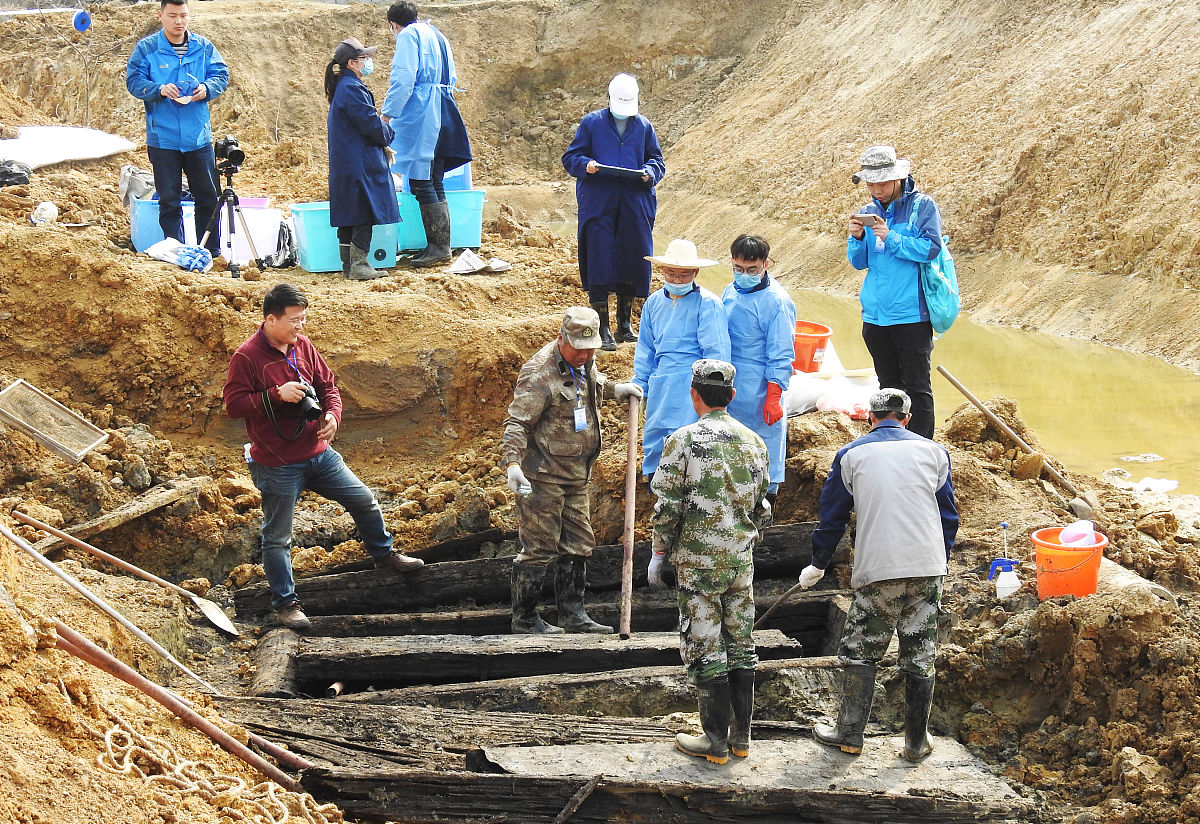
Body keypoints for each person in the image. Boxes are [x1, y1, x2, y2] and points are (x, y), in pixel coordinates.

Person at [223, 283, 423, 631]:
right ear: (270, 319)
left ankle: (384, 555)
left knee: (364, 500)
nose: (299, 326)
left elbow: (329, 386)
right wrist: (275, 395)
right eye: (293, 320)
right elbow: (233, 405)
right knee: (278, 537)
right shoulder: (247, 356)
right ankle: (286, 605)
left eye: (303, 319)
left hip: (318, 453)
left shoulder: (303, 346)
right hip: (277, 461)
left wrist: (333, 416)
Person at [798, 388, 958, 762]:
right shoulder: (934, 452)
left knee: (861, 651)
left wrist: (817, 564)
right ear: (907, 417)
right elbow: (948, 516)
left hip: (879, 569)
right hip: (928, 567)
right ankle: (916, 743)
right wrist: (940, 558)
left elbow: (832, 517)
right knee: (920, 653)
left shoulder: (852, 455)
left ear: (870, 417)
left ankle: (849, 735)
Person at [647, 360, 770, 765]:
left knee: (704, 645)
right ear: (732, 396)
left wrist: (658, 552)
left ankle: (714, 741)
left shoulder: (682, 441)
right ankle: (741, 739)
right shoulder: (754, 442)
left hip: (699, 564)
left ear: (693, 394)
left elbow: (668, 506)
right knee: (740, 644)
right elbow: (762, 506)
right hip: (740, 562)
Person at [502, 307, 643, 634]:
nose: (585, 354)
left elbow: (588, 383)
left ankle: (573, 615)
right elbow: (517, 423)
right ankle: (524, 620)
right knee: (539, 547)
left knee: (579, 543)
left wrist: (613, 389)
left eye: (590, 348)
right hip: (541, 477)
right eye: (578, 348)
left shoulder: (585, 360)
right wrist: (512, 465)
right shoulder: (539, 374)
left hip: (577, 474)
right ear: (561, 338)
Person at [562, 73, 666, 351]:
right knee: (599, 258)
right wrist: (587, 165)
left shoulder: (644, 126)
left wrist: (649, 173)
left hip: (634, 205)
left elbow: (657, 160)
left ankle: (624, 325)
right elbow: (570, 157)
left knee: (632, 258)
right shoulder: (592, 124)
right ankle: (602, 327)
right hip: (600, 204)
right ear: (608, 99)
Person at [847, 145, 944, 439]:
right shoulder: (868, 211)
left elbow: (931, 249)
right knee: (887, 385)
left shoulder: (922, 207)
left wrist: (892, 238)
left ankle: (921, 446)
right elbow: (859, 261)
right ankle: (890, 441)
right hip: (875, 316)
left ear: (898, 178)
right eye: (871, 183)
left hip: (911, 315)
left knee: (917, 386)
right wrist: (856, 237)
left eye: (882, 183)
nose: (876, 189)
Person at [125, 0, 228, 261]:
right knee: (169, 199)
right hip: (163, 138)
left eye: (183, 15)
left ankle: (210, 250)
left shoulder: (203, 47)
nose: (178, 21)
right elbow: (134, 81)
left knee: (207, 196)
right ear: (161, 16)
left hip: (198, 137)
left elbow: (221, 75)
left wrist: (207, 88)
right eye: (172, 15)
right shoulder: (147, 49)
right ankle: (175, 251)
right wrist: (158, 90)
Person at [382, 1, 472, 268]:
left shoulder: (409, 34)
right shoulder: (437, 34)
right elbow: (452, 75)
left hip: (425, 111)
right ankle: (441, 245)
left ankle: (438, 248)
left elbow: (404, 77)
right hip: (445, 105)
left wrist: (388, 114)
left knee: (421, 178)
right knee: (436, 176)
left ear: (393, 25)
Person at [632, 238, 730, 477]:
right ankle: (655, 485)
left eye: (683, 275)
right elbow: (646, 348)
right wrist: (641, 383)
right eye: (671, 274)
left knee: (691, 441)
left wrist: (711, 393)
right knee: (656, 435)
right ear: (662, 270)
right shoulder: (653, 302)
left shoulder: (709, 304)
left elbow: (716, 354)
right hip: (661, 382)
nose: (676, 280)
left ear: (695, 272)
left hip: (693, 385)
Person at [721, 234, 797, 508]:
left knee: (763, 452)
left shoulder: (777, 301)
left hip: (761, 388)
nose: (744, 275)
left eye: (752, 270)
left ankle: (766, 506)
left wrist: (774, 395)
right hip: (731, 383)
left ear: (765, 264)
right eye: (738, 269)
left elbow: (781, 352)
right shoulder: (731, 290)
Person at [325, 37, 399, 281]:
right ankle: (360, 265)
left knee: (350, 212)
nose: (368, 61)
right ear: (352, 63)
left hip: (348, 158)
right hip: (360, 160)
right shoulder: (352, 88)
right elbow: (370, 123)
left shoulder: (343, 87)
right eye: (364, 58)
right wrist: (387, 134)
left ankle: (348, 266)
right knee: (364, 211)